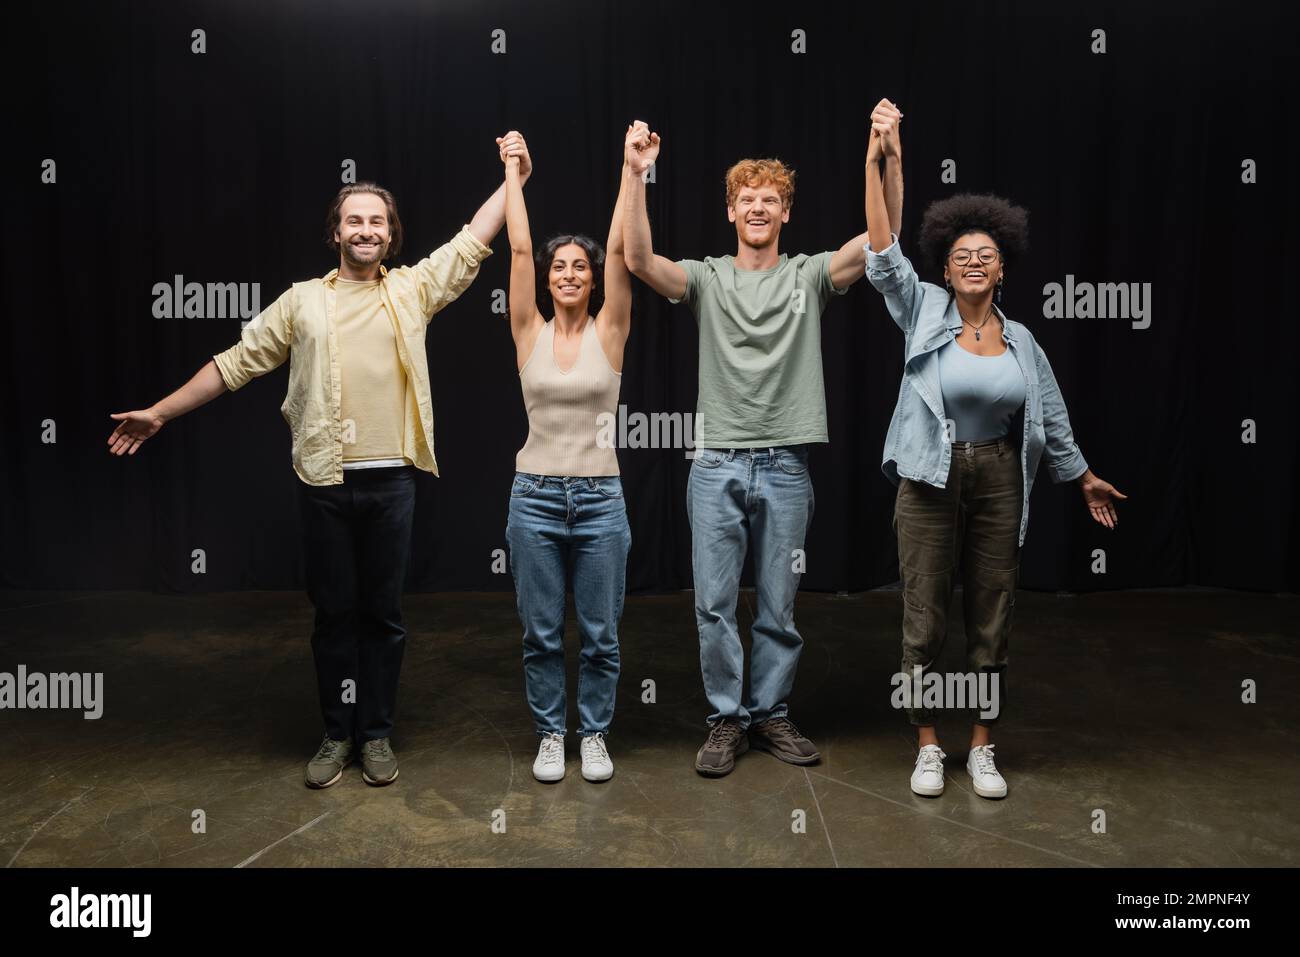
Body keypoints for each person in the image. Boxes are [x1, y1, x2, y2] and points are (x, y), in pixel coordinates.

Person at [106, 162, 519, 788]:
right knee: (332, 615)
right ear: (336, 232)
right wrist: (160, 412)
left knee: (382, 615)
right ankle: (336, 734)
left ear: (391, 234)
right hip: (323, 483)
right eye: (354, 220)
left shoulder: (411, 290)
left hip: (392, 483)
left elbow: (472, 240)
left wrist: (513, 175)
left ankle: (375, 734)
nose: (366, 230)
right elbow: (234, 363)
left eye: (377, 221)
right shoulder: (301, 302)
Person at [862, 99, 1127, 799]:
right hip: (929, 472)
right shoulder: (921, 310)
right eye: (961, 256)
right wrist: (881, 156)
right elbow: (882, 250)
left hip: (1000, 475)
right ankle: (926, 742)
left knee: (992, 611)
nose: (974, 263)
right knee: (923, 612)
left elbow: (1052, 416)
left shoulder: (1024, 342)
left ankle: (981, 744)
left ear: (1001, 269)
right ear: (945, 273)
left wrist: (1083, 476)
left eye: (986, 255)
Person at [622, 120, 898, 777]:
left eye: (769, 197)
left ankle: (769, 711)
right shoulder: (707, 277)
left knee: (779, 603)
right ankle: (727, 717)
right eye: (746, 196)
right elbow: (637, 260)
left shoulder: (809, 276)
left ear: (785, 212)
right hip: (715, 462)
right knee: (714, 603)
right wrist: (635, 173)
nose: (757, 205)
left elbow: (883, 243)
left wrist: (879, 160)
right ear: (730, 210)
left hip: (786, 464)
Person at [497, 128, 634, 783]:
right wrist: (514, 176)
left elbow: (620, 252)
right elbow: (519, 245)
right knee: (543, 633)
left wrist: (631, 170)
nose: (573, 272)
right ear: (548, 280)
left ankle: (595, 733)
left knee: (602, 634)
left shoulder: (612, 328)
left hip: (602, 499)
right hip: (536, 499)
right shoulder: (528, 330)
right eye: (562, 266)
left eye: (581, 265)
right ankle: (553, 732)